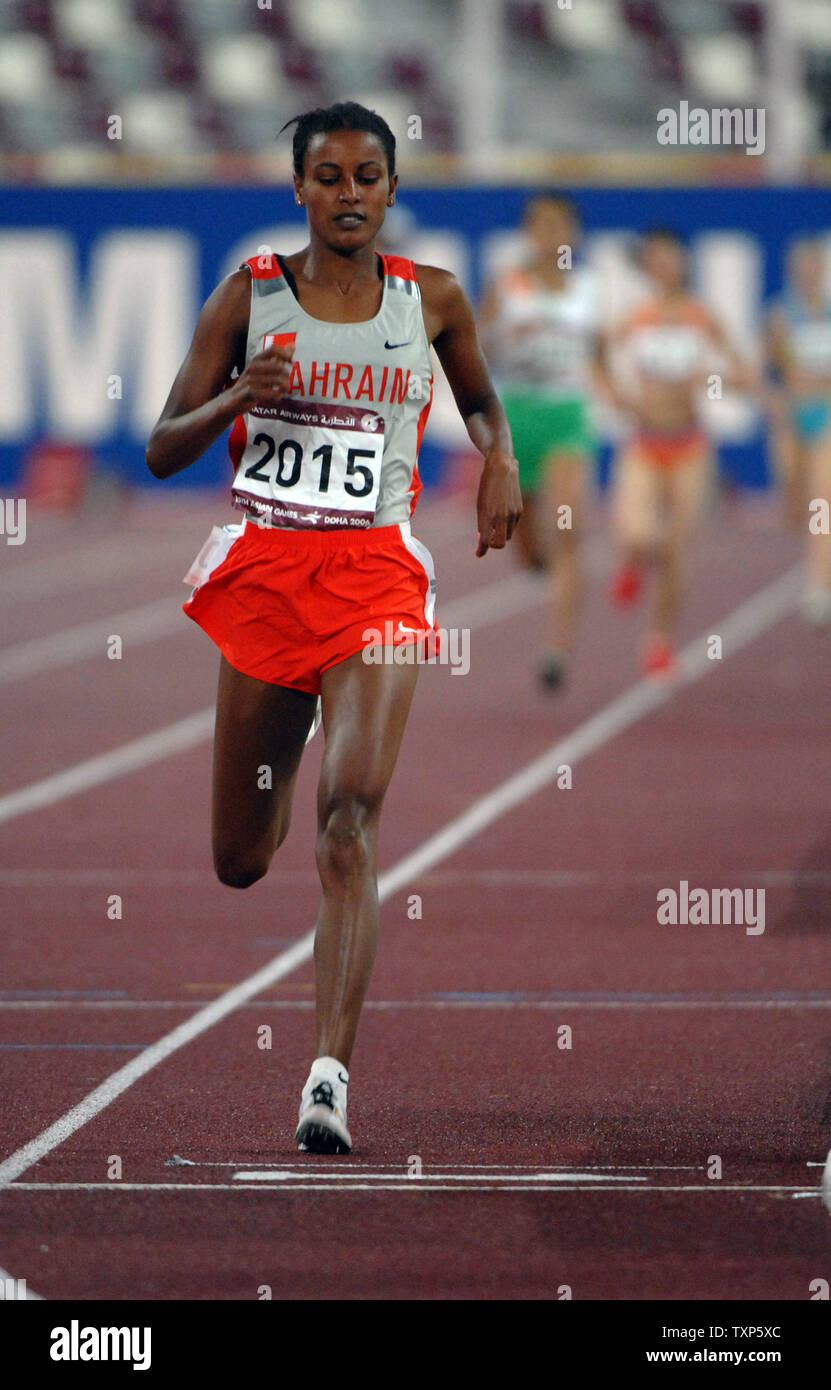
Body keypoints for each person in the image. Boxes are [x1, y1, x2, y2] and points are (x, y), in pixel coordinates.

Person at [145, 102, 521, 1155]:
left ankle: (326, 1079)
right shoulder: (251, 296)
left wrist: (503, 458)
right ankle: (298, 718)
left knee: (350, 822)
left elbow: (483, 402)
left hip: (377, 579)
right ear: (299, 190)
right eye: (329, 176)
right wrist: (234, 402)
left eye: (368, 176)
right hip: (268, 575)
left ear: (392, 190)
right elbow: (162, 448)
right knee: (240, 858)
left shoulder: (432, 299)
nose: (349, 194)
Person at [599, 228, 754, 674]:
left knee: (675, 549)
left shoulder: (702, 317)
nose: (664, 266)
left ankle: (659, 641)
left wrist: (711, 377)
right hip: (645, 444)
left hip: (689, 447)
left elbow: (744, 376)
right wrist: (615, 393)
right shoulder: (636, 316)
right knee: (637, 534)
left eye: (671, 257)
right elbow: (596, 354)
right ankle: (630, 560)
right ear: (647, 266)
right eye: (656, 258)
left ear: (683, 263)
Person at [479, 194, 599, 689]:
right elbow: (475, 344)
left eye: (559, 225)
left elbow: (603, 354)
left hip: (567, 414)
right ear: (529, 232)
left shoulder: (590, 288)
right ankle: (536, 561)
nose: (550, 235)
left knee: (570, 531)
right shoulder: (508, 286)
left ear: (574, 233)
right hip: (516, 417)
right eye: (540, 225)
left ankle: (557, 650)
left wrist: (621, 394)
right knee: (520, 538)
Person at [766, 236, 831, 625]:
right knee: (793, 495)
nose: (808, 273)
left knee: (821, 500)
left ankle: (819, 582)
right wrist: (773, 399)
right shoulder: (780, 315)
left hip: (826, 411)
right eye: (801, 266)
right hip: (794, 415)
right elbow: (767, 367)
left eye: (814, 266)